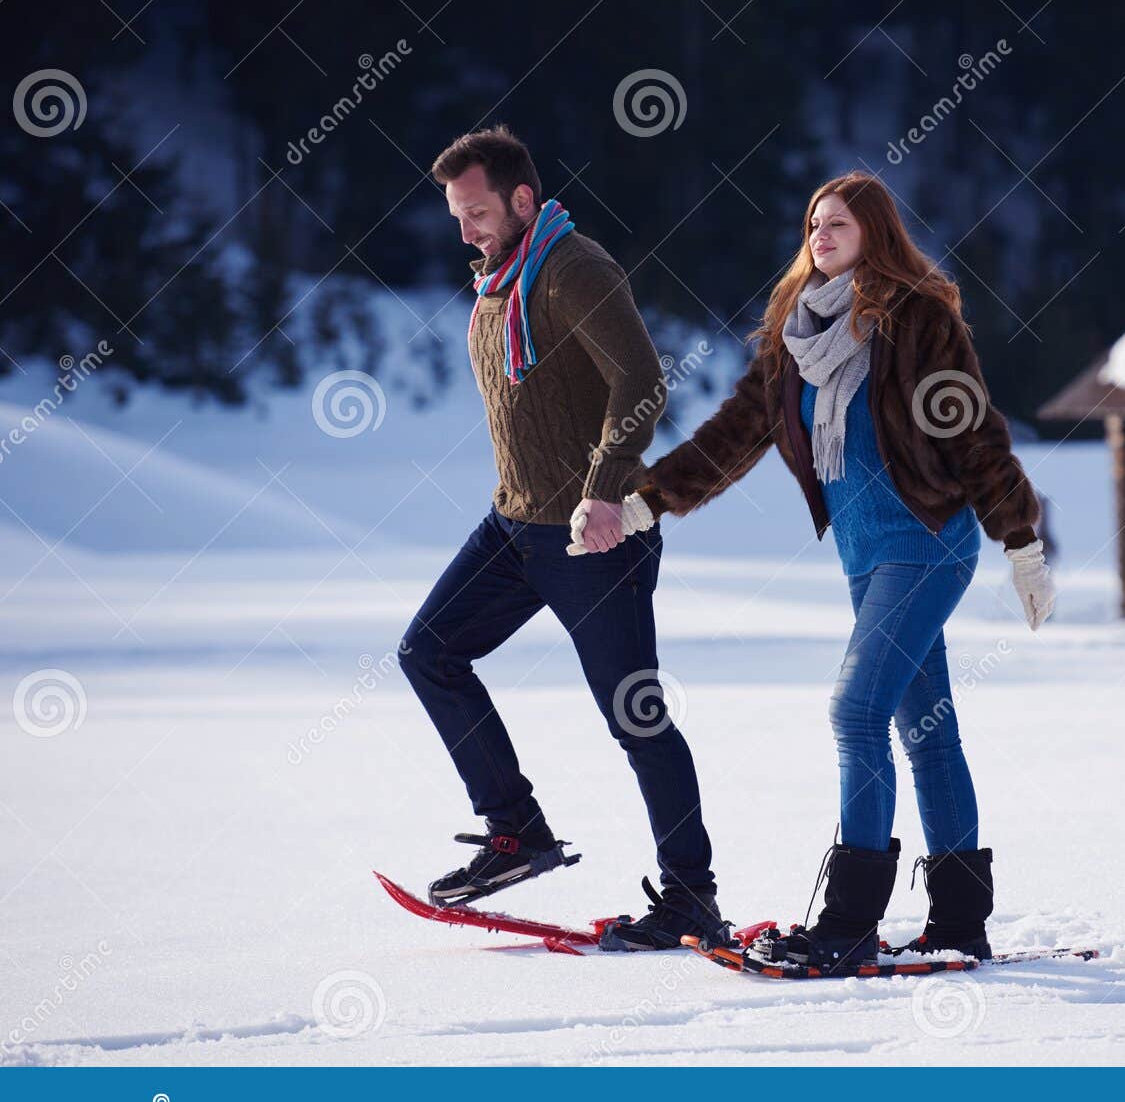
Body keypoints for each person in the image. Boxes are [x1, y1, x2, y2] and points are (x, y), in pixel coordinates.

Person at [570, 171, 1055, 971]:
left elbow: (973, 433)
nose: (820, 235)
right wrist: (645, 502)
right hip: (866, 558)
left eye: (838, 223)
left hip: (927, 544)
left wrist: (1021, 541)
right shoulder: (794, 336)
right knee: (926, 732)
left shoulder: (916, 320)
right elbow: (734, 435)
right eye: (812, 224)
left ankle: (847, 923)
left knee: (854, 713)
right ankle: (961, 924)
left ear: (876, 234)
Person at [397, 124, 729, 952]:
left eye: (475, 212)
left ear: (521, 199)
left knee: (635, 717)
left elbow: (643, 383)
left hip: (593, 537)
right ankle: (517, 831)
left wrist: (606, 489)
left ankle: (693, 897)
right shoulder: (497, 282)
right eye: (455, 216)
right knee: (429, 651)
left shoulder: (572, 268)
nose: (464, 231)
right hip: (514, 526)